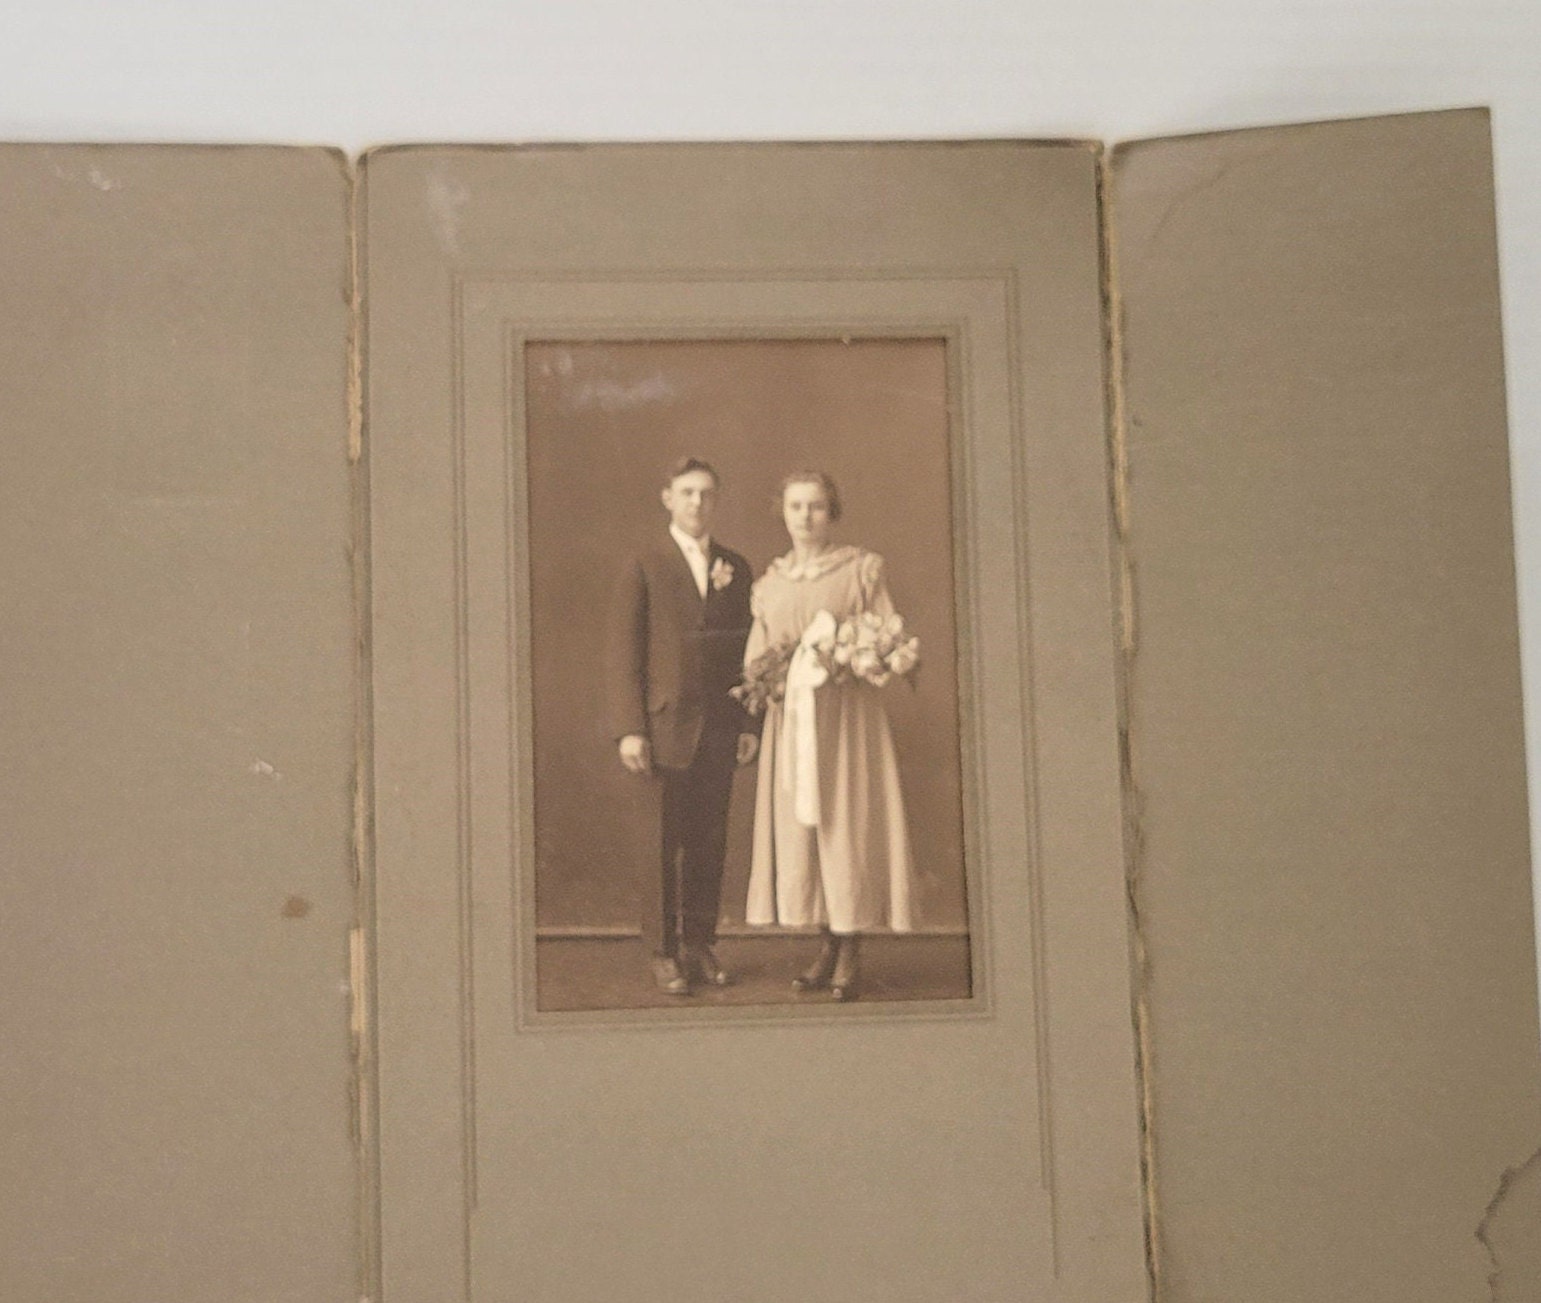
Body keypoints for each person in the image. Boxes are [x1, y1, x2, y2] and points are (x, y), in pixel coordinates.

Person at [742, 470, 918, 1001]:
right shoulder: (769, 586)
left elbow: (889, 636)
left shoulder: (859, 571)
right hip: (793, 726)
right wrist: (769, 676)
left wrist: (858, 656)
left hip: (845, 723)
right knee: (805, 832)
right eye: (796, 506)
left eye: (816, 506)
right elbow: (755, 658)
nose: (806, 516)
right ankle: (827, 944)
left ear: (831, 511)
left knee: (845, 826)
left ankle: (851, 948)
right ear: (783, 512)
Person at [606, 457, 758, 996]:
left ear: (716, 501)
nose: (698, 502)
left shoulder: (736, 567)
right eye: (687, 492)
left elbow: (748, 652)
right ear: (667, 498)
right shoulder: (644, 563)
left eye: (707, 494)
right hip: (662, 729)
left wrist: (747, 722)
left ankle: (700, 943)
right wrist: (630, 728)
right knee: (659, 843)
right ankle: (663, 951)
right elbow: (625, 653)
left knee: (708, 842)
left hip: (718, 729)